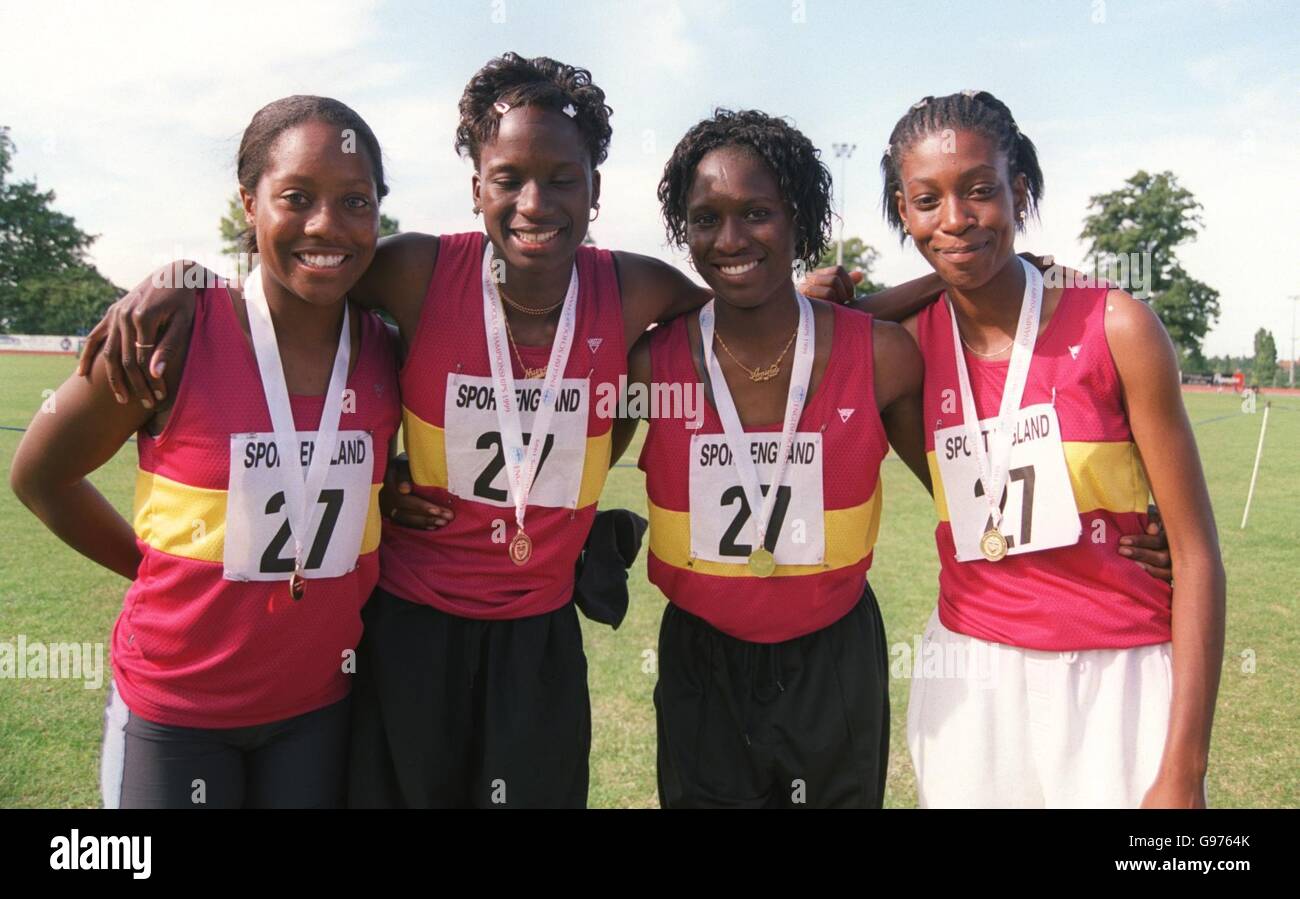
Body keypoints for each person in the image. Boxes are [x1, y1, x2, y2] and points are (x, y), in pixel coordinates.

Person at [9, 96, 401, 808]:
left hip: (318, 704)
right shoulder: (172, 336)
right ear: (249, 203)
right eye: (296, 197)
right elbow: (40, 475)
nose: (326, 224)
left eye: (355, 200)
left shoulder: (387, 349)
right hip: (175, 712)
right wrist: (148, 562)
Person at [879, 91, 1225, 807]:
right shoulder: (905, 350)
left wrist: (1184, 771)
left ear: (1020, 191)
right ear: (903, 212)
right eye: (926, 200)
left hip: (1118, 678)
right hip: (971, 679)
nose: (955, 219)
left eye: (980, 191)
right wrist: (930, 276)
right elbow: (806, 327)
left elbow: (1196, 556)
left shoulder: (1117, 326)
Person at [619, 109, 927, 808]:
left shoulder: (880, 356)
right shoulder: (649, 366)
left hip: (835, 654)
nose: (730, 238)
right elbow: (556, 477)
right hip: (701, 658)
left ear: (800, 219)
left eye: (756, 212)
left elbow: (965, 490)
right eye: (706, 218)